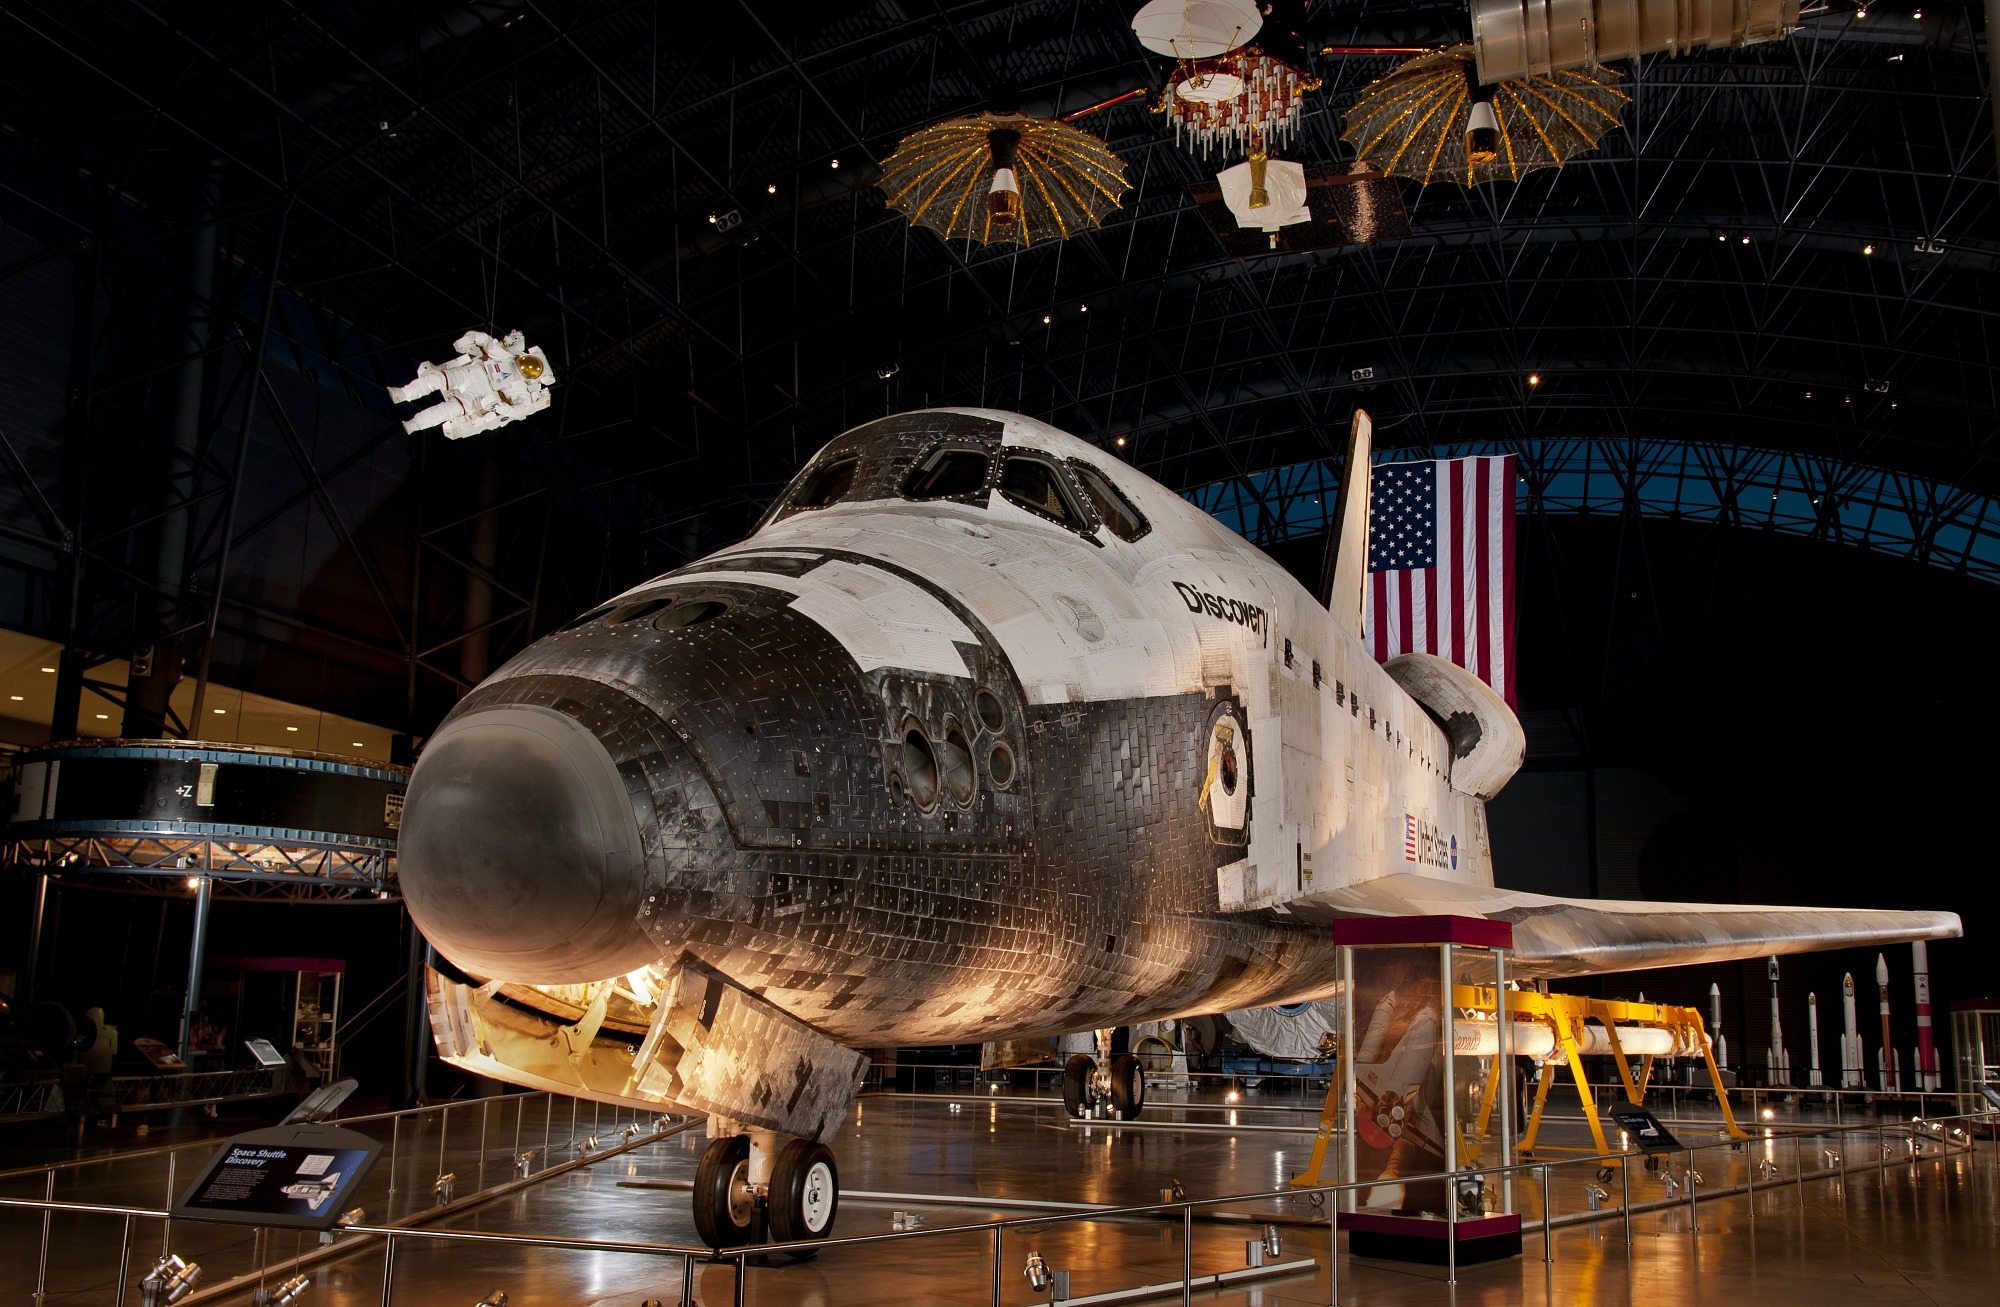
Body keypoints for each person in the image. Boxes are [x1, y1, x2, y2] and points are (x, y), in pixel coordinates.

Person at [388, 328, 554, 439]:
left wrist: (505, 409)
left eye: (532, 370)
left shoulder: (520, 387)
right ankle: (402, 394)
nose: (526, 367)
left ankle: (415, 424)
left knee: (448, 410)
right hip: (473, 373)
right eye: (528, 363)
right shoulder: (506, 357)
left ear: (533, 378)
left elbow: (522, 408)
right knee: (436, 379)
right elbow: (488, 342)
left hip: (480, 393)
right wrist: (472, 337)